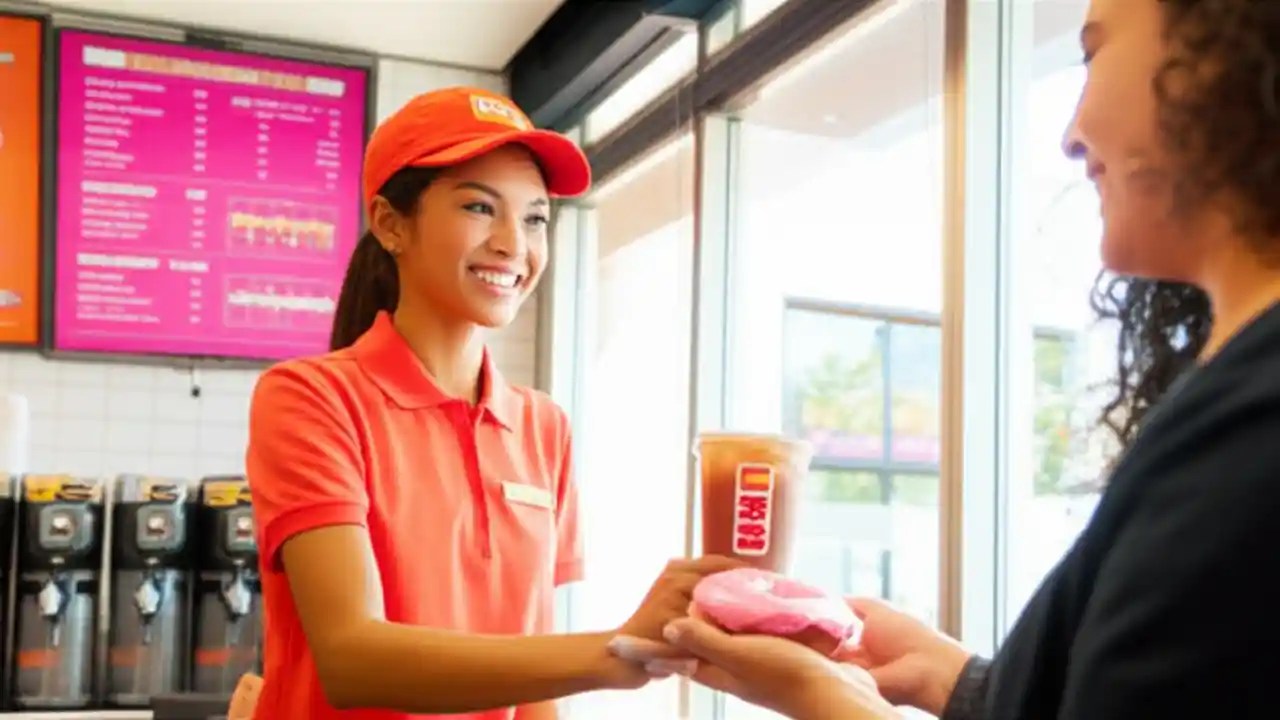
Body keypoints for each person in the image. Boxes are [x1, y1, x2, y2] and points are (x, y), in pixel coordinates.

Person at [610, 0, 1280, 717]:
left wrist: (840, 709)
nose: (1072, 135)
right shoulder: (1230, 406)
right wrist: (958, 682)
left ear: (1228, 45)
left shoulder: (1251, 432)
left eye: (1094, 52)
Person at [243, 86, 740, 719]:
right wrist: (618, 653)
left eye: (535, 218)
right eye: (480, 207)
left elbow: (529, 672)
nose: (514, 243)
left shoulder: (542, 426)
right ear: (391, 224)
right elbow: (352, 658)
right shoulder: (312, 398)